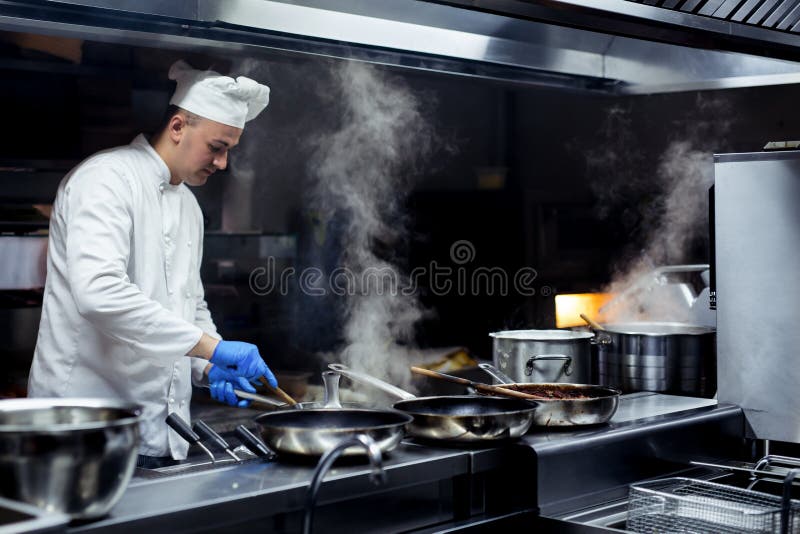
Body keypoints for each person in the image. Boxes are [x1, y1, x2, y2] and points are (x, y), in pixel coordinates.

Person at [28, 60, 276, 466]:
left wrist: (206, 367)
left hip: (162, 433)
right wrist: (212, 348)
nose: (222, 164)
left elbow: (189, 303)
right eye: (217, 147)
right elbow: (100, 294)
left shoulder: (191, 208)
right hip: (81, 431)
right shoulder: (105, 179)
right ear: (178, 127)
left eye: (229, 151)